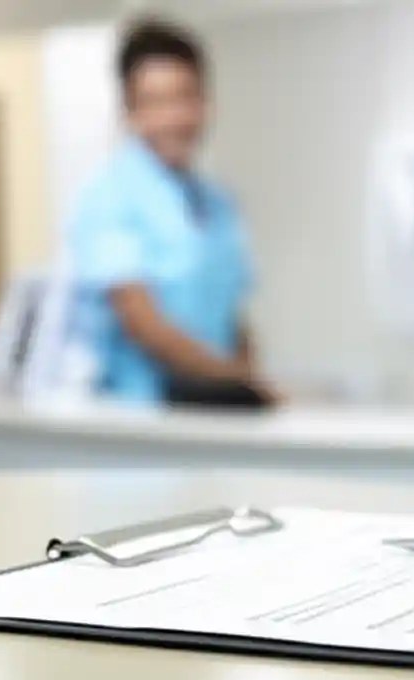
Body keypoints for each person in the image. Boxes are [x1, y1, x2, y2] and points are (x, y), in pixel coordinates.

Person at [68, 20, 274, 405]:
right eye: (155, 102)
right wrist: (238, 383)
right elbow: (141, 321)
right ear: (129, 111)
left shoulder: (219, 202)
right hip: (140, 419)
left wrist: (248, 381)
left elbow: (233, 317)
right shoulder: (110, 195)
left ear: (204, 103)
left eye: (185, 98)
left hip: (216, 413)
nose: (174, 118)